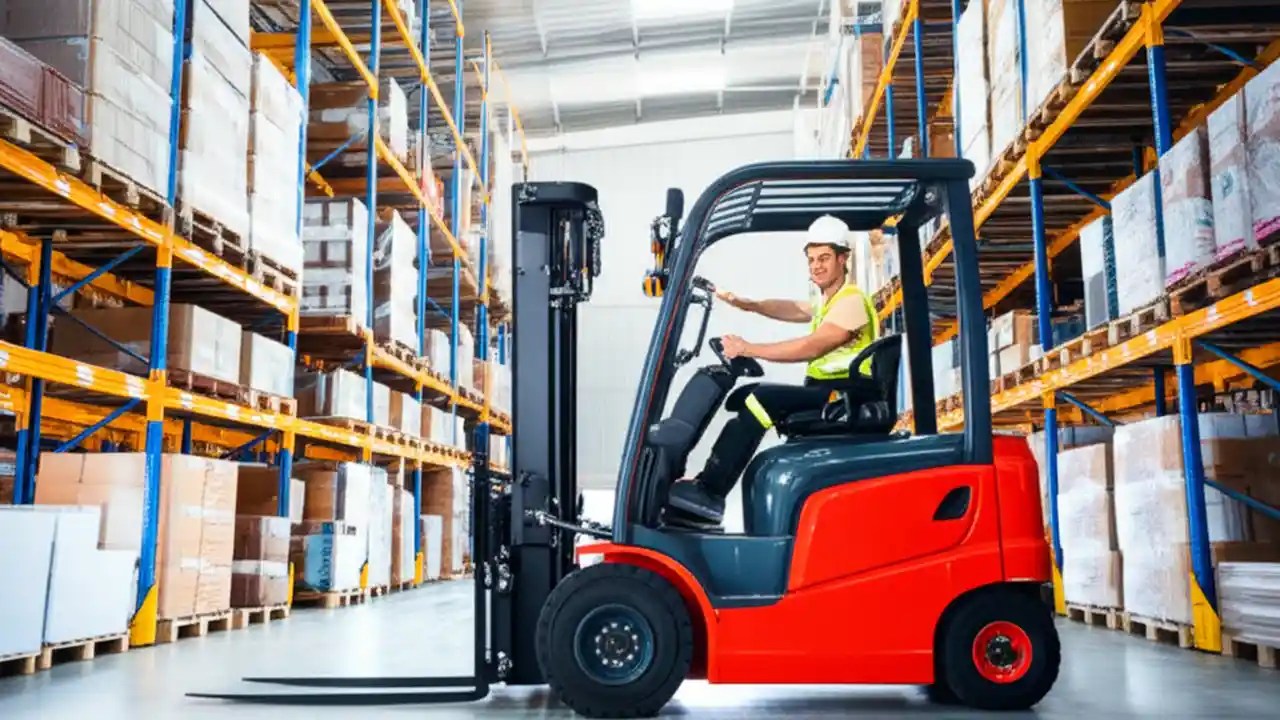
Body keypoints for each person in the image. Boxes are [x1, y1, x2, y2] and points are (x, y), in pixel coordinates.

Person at [667, 214, 879, 523]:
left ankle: (710, 491)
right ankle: (705, 485)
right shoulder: (828, 301)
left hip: (844, 397)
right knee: (751, 396)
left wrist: (749, 348)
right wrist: (747, 304)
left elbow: (813, 346)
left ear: (842, 258)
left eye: (824, 258)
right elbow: (792, 308)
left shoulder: (851, 300)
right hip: (831, 394)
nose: (816, 266)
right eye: (811, 259)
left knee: (760, 400)